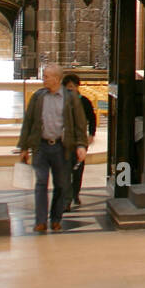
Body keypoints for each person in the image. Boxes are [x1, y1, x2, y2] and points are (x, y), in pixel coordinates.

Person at [16, 64, 89, 233]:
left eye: (47, 76)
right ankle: (40, 221)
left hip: (61, 147)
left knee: (62, 184)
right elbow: (28, 122)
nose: (44, 79)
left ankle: (56, 218)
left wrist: (81, 145)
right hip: (41, 146)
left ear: (56, 79)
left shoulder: (70, 99)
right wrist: (24, 146)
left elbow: (80, 123)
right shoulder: (38, 97)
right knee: (41, 183)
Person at [62, 72, 97, 209]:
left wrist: (91, 133)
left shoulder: (84, 101)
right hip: (65, 141)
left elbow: (92, 118)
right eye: (67, 87)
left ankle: (75, 193)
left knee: (77, 170)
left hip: (80, 141)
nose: (70, 89)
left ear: (77, 87)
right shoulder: (61, 101)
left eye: (72, 86)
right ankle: (67, 199)